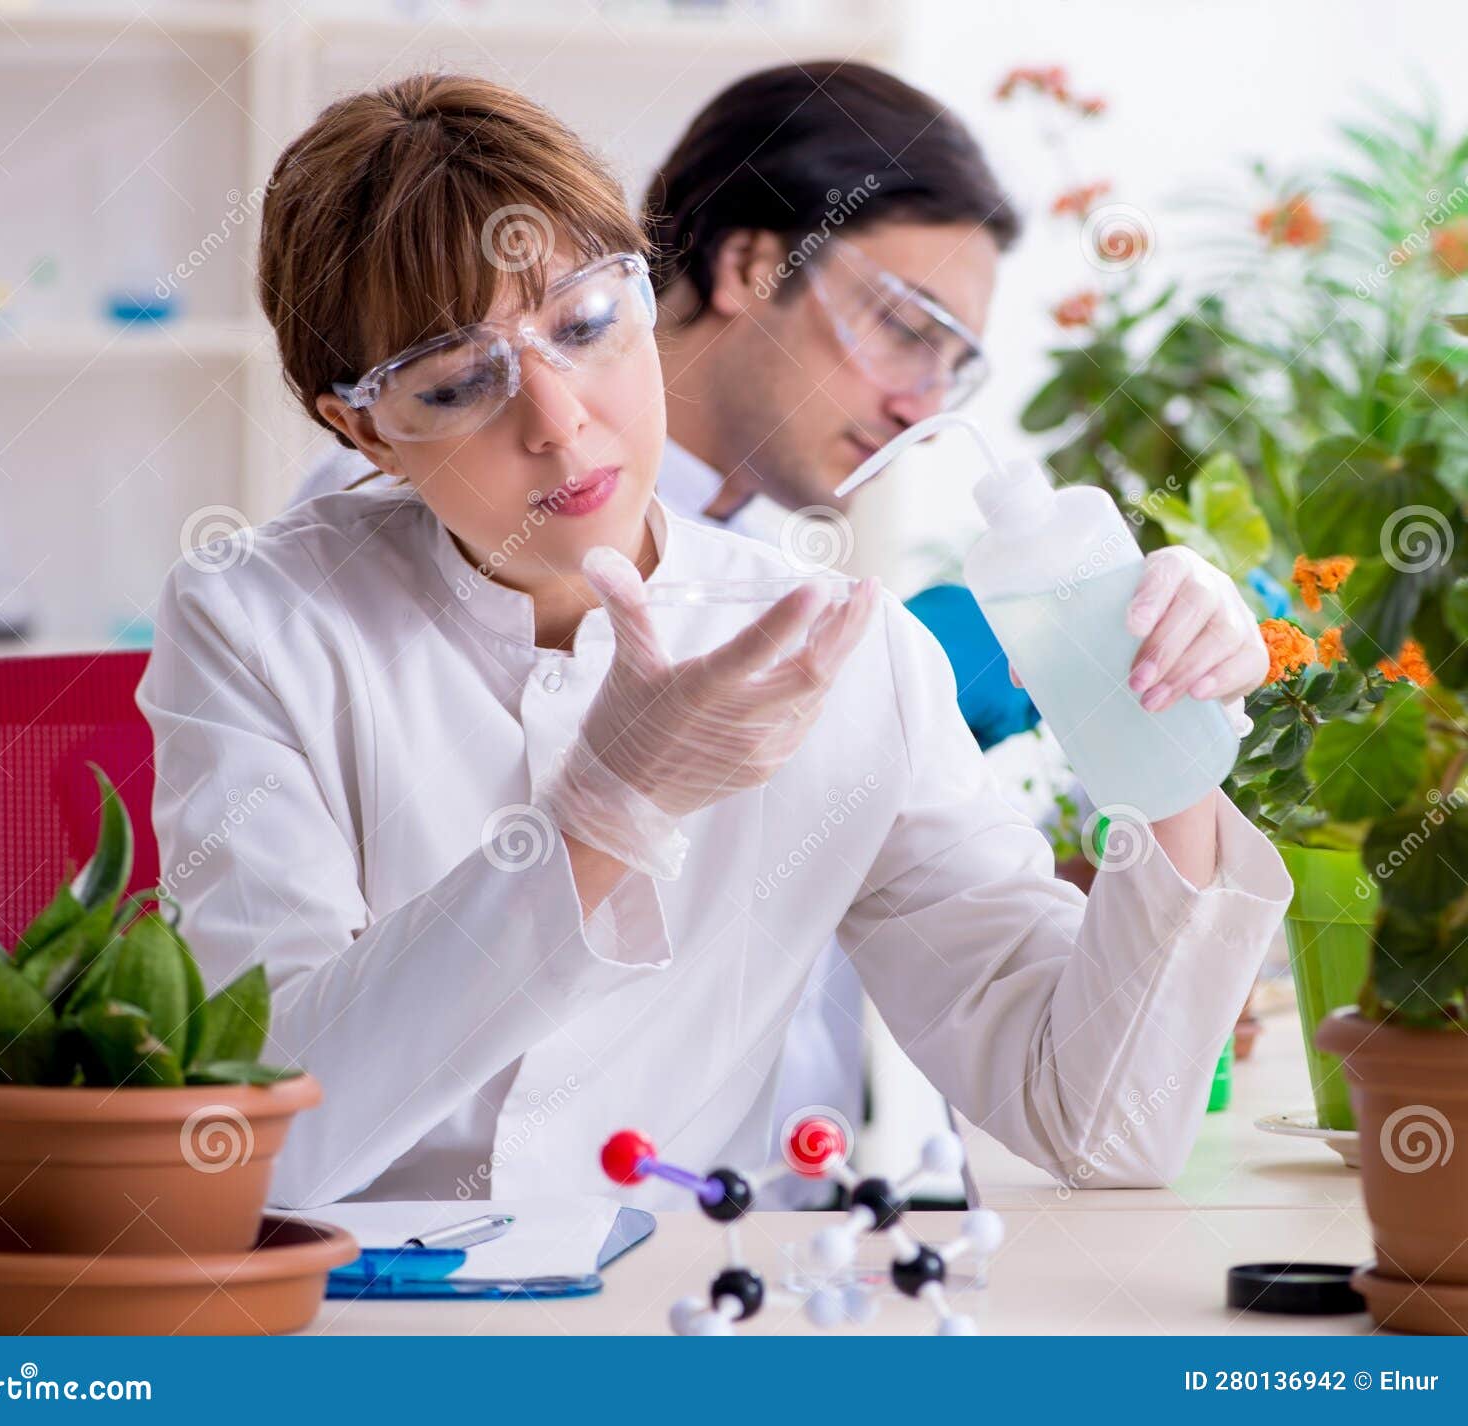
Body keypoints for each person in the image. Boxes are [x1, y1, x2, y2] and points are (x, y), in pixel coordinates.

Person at [138, 74, 1290, 1212]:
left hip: (692, 1291)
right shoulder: (261, 620)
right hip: (351, 1307)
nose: (558, 421)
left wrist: (1163, 740)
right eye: (453, 385)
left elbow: (1099, 1123)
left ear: (642, 297)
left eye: (585, 325)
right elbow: (257, 1144)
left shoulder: (845, 647)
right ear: (362, 431)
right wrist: (603, 810)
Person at [284, 64, 1039, 1192]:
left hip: (754, 1219)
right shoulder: (400, 541)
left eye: (952, 362)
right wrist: (611, 800)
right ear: (747, 264)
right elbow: (309, 1080)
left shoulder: (797, 582)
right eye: (903, 327)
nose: (918, 404)